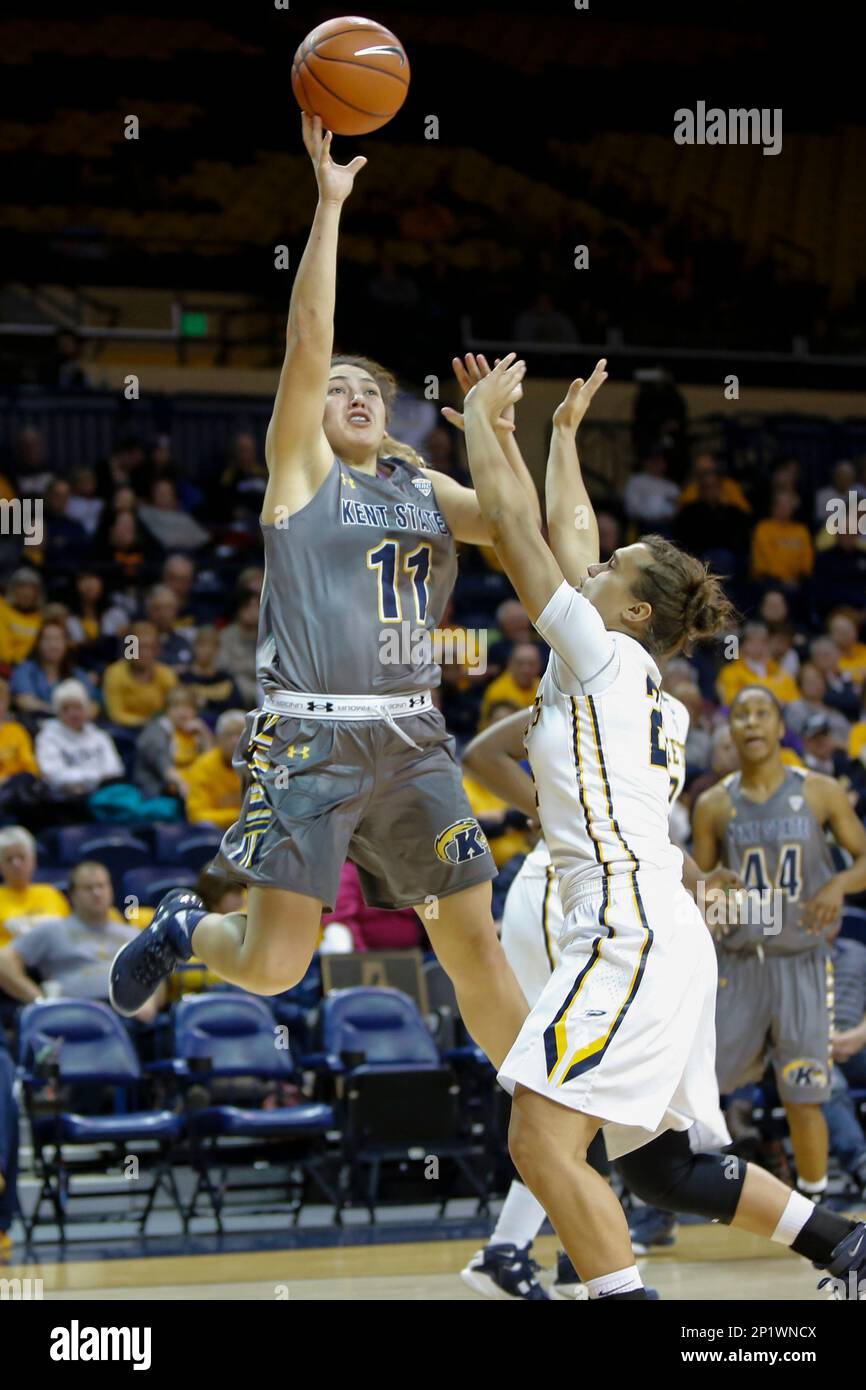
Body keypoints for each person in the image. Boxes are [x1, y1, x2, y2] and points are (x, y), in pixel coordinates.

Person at [109, 114, 537, 1083]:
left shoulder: (423, 487)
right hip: (309, 736)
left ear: (392, 418)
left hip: (414, 740)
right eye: (338, 387)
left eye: (369, 391)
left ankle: (558, 1133)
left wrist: (496, 433)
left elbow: (518, 533)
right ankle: (186, 922)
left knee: (473, 945)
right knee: (272, 963)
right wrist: (329, 204)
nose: (351, 394)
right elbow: (308, 337)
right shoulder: (300, 472)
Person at [459, 353, 866, 1299]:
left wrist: (483, 423)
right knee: (658, 1166)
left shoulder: (598, 658)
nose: (590, 567)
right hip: (658, 926)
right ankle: (843, 1242)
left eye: (609, 570)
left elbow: (525, 537)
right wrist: (558, 436)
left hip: (625, 926)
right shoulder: (645, 687)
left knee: (539, 1135)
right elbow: (564, 535)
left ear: (631, 609)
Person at [692, 686, 866, 1203]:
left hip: (802, 962)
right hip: (738, 964)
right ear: (730, 729)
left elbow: (863, 860)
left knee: (804, 1092)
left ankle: (815, 1206)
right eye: (740, 715)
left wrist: (837, 884)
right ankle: (670, 1207)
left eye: (761, 713)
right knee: (698, 1093)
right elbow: (702, 885)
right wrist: (712, 908)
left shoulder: (820, 791)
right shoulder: (713, 804)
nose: (750, 723)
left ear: (778, 725)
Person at [0, 861, 164, 1021]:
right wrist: (39, 1000)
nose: (97, 892)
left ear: (111, 890)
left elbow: (157, 973)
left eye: (101, 886)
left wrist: (149, 1002)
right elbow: (4, 961)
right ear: (72, 894)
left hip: (128, 1015)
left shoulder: (132, 934)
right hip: (73, 1016)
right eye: (88, 888)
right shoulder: (52, 929)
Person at [35, 680, 124, 802]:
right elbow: (54, 775)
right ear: (58, 712)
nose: (73, 714)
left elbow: (115, 769)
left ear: (86, 708)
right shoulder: (47, 737)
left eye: (77, 707)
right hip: (67, 800)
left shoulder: (99, 735)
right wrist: (97, 776)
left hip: (104, 794)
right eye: (66, 709)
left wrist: (85, 780)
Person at [134, 687, 212, 800]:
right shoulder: (156, 732)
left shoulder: (194, 730)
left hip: (191, 784)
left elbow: (210, 764)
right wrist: (187, 788)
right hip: (158, 791)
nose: (182, 712)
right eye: (176, 706)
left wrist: (204, 734)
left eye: (188, 706)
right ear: (167, 710)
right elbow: (166, 770)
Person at [0, 826, 70, 948]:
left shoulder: (50, 893)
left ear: (33, 860)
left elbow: (69, 932)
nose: (16, 864)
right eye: (9, 859)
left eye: (21, 857)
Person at [102, 621, 177, 728]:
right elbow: (116, 714)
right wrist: (146, 723)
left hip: (159, 729)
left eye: (150, 648)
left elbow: (175, 707)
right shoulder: (114, 673)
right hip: (125, 730)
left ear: (156, 650)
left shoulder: (166, 674)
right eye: (139, 647)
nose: (145, 653)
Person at [184, 709, 246, 828]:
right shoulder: (203, 766)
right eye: (229, 734)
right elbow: (196, 815)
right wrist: (239, 817)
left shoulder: (260, 765)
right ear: (218, 739)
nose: (235, 740)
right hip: (215, 834)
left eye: (240, 734)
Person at [177, 625, 244, 723]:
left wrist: (207, 702)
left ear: (217, 650)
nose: (207, 650)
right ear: (194, 647)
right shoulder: (184, 678)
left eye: (211, 646)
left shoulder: (225, 678)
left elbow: (237, 707)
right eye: (202, 645)